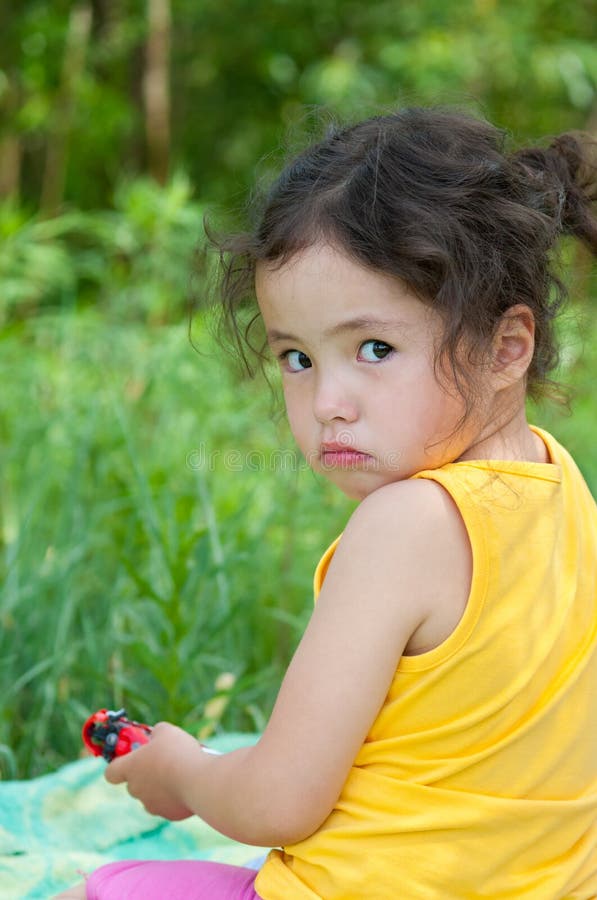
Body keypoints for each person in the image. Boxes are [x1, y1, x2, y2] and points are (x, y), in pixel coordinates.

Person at [56, 106, 597, 899]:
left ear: (503, 348)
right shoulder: (565, 490)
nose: (328, 402)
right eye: (297, 358)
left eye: (373, 349)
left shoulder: (405, 523)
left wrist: (184, 769)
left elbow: (279, 802)